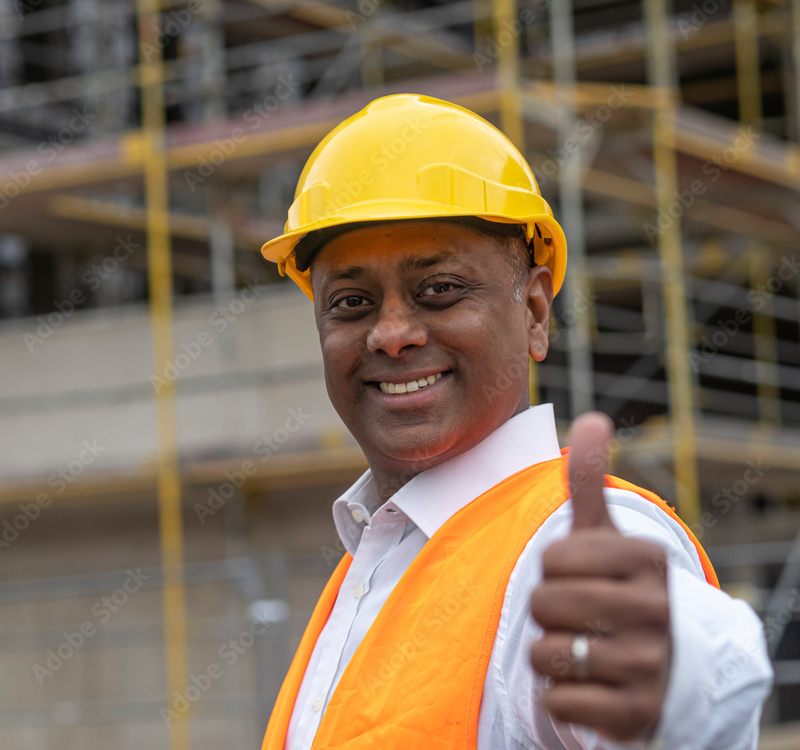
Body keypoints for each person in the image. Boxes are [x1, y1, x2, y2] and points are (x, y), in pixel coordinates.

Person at [258, 94, 773, 749]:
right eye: (351, 303)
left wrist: (680, 689)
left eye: (439, 289)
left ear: (534, 313)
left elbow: (690, 671)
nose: (390, 333)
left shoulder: (555, 548)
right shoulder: (375, 563)